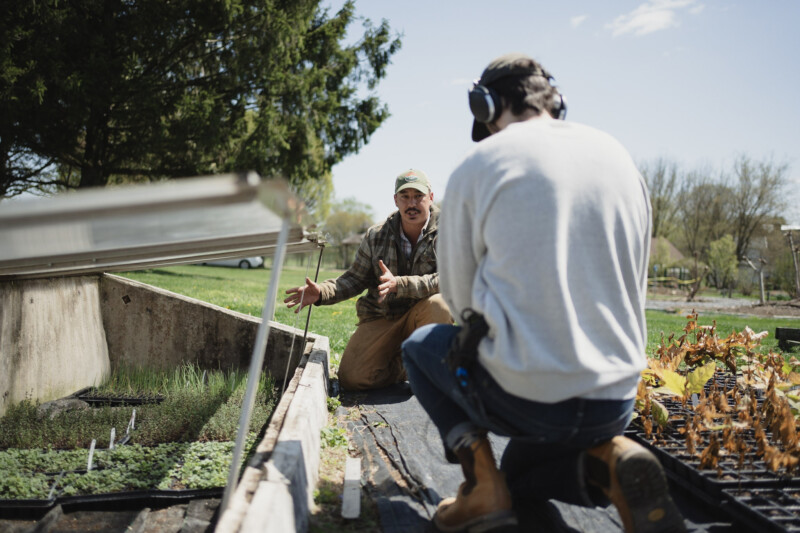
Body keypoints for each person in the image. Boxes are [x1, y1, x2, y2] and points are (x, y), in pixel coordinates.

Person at [402, 53, 687, 533]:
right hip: (614, 400)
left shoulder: (479, 164)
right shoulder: (619, 157)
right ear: (556, 101)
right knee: (523, 477)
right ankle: (612, 462)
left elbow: (459, 297)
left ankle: (480, 488)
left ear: (485, 106)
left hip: (525, 396)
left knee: (419, 348)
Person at [285, 169, 452, 391]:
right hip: (382, 315)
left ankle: (430, 371)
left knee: (440, 304)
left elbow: (449, 280)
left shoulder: (449, 231)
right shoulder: (376, 235)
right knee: (353, 379)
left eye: (418, 196)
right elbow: (355, 278)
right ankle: (404, 365)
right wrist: (322, 292)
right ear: (396, 200)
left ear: (430, 197)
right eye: (405, 196)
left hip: (423, 314)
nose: (412, 203)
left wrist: (399, 284)